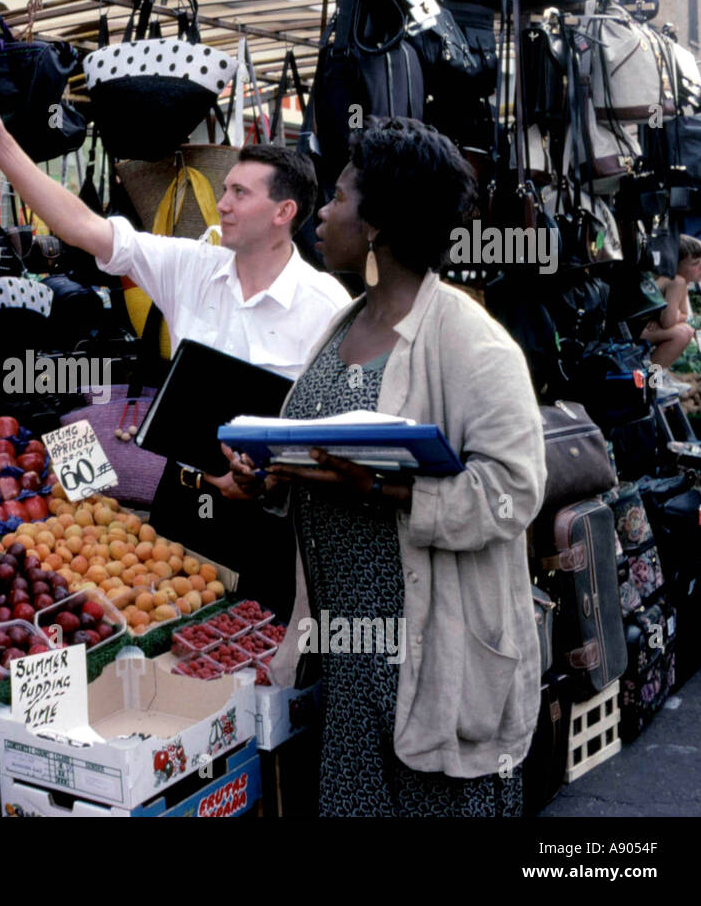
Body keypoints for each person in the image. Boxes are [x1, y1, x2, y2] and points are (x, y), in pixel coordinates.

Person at [228, 117, 545, 816]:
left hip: (431, 656)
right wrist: (269, 475)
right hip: (351, 656)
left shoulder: (472, 343)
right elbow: (316, 454)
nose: (320, 215)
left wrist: (387, 488)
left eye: (337, 198)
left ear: (377, 224)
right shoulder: (343, 325)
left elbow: (514, 491)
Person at [0, 100, 351, 611]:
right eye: (225, 189)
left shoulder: (326, 306)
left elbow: (334, 430)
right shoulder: (192, 267)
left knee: (257, 648)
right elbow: (83, 228)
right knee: (170, 637)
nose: (222, 204)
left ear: (283, 212)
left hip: (271, 519)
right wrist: (0, 144)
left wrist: (268, 481)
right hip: (182, 500)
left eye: (239, 193)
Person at [641, 233, 701, 377]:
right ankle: (653, 381)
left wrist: (675, 315)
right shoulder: (676, 281)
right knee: (683, 333)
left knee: (684, 329)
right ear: (676, 264)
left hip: (644, 328)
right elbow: (668, 322)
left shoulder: (680, 281)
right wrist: (676, 316)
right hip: (636, 331)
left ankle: (658, 378)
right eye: (695, 263)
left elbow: (682, 315)